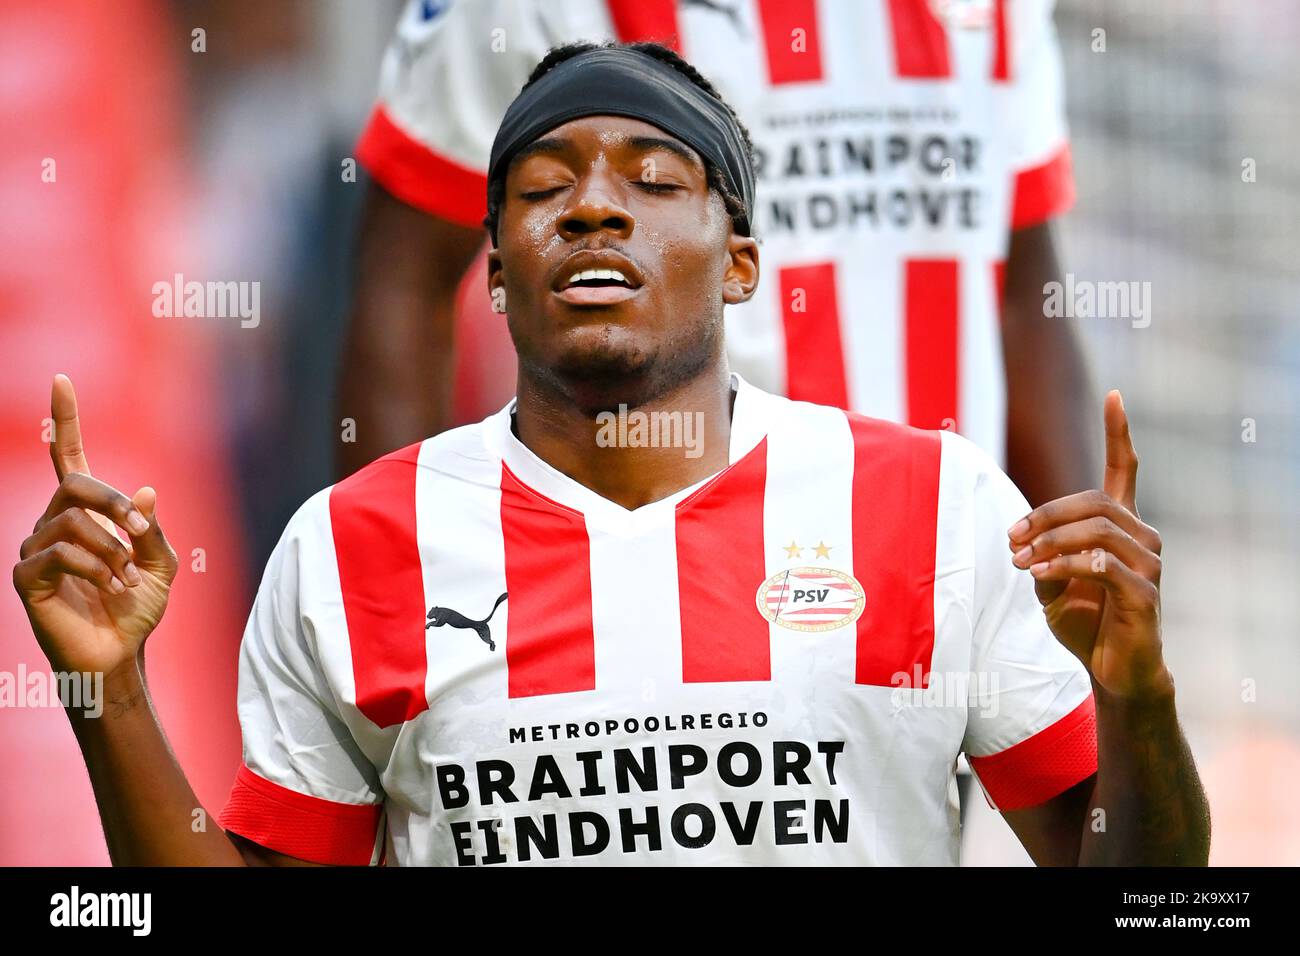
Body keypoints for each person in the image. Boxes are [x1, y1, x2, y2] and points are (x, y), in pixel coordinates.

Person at [14, 43, 1208, 866]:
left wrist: (1138, 695)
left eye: (651, 179)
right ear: (492, 273)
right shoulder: (354, 543)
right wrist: (104, 684)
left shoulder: (933, 508)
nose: (593, 208)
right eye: (542, 188)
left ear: (740, 262)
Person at [341, 0, 1097, 514]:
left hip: (944, 601)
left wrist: (1088, 639)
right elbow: (404, 281)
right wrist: (402, 603)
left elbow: (1021, 295)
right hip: (666, 607)